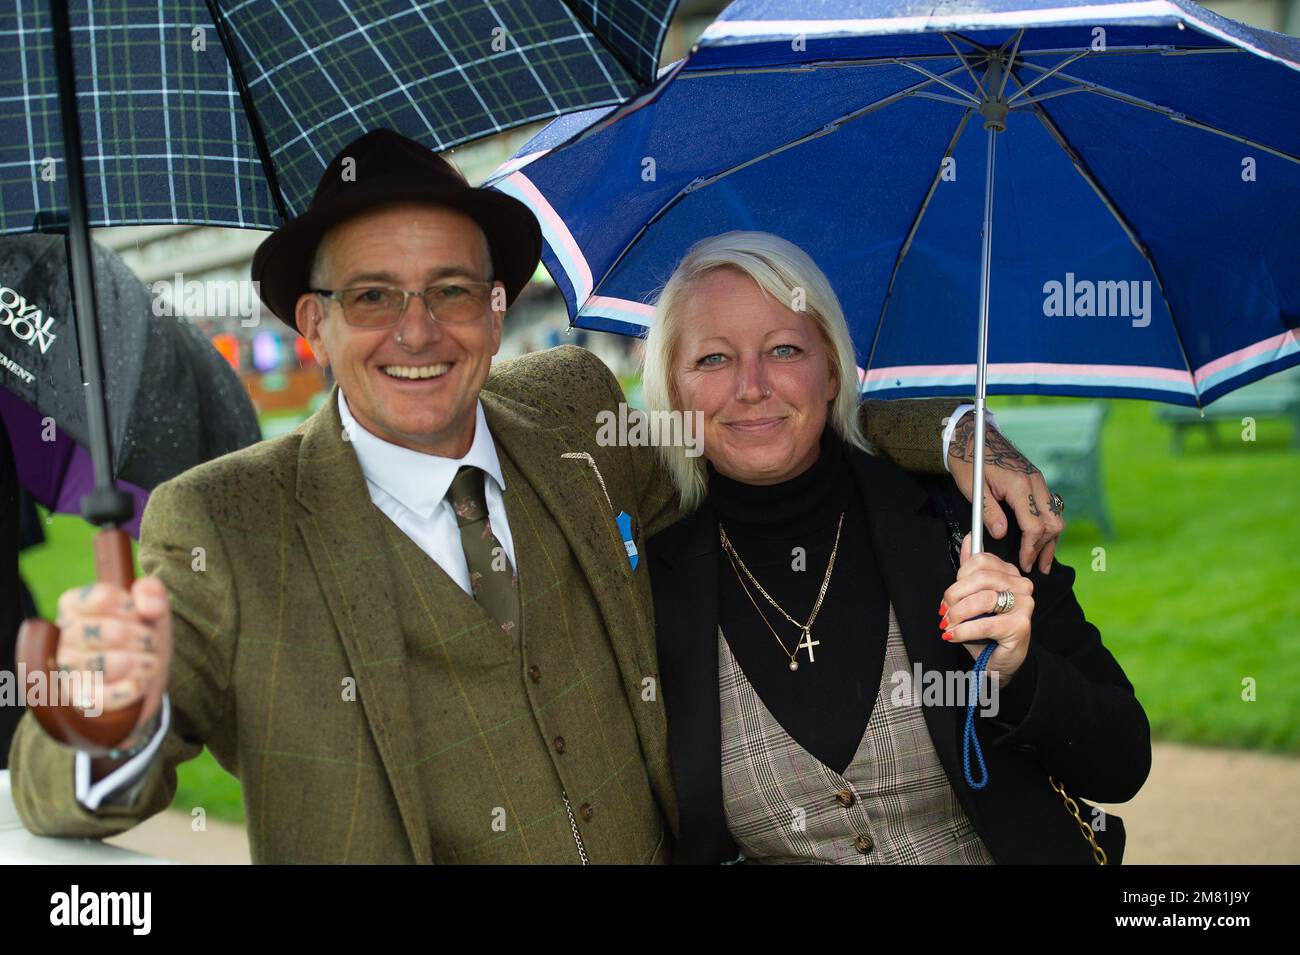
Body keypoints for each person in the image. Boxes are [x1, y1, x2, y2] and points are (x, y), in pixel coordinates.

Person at [8, 131, 1060, 864]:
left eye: (452, 290)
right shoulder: (221, 523)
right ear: (310, 326)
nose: (417, 330)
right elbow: (54, 785)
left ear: (497, 305)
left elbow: (758, 417)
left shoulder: (569, 408)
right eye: (371, 296)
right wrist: (108, 715)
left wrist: (960, 431)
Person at [643, 232, 1151, 864]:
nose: (751, 386)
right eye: (713, 359)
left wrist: (1019, 677)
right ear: (674, 386)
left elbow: (1122, 763)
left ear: (831, 371)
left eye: (784, 349)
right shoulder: (648, 585)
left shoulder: (965, 519)